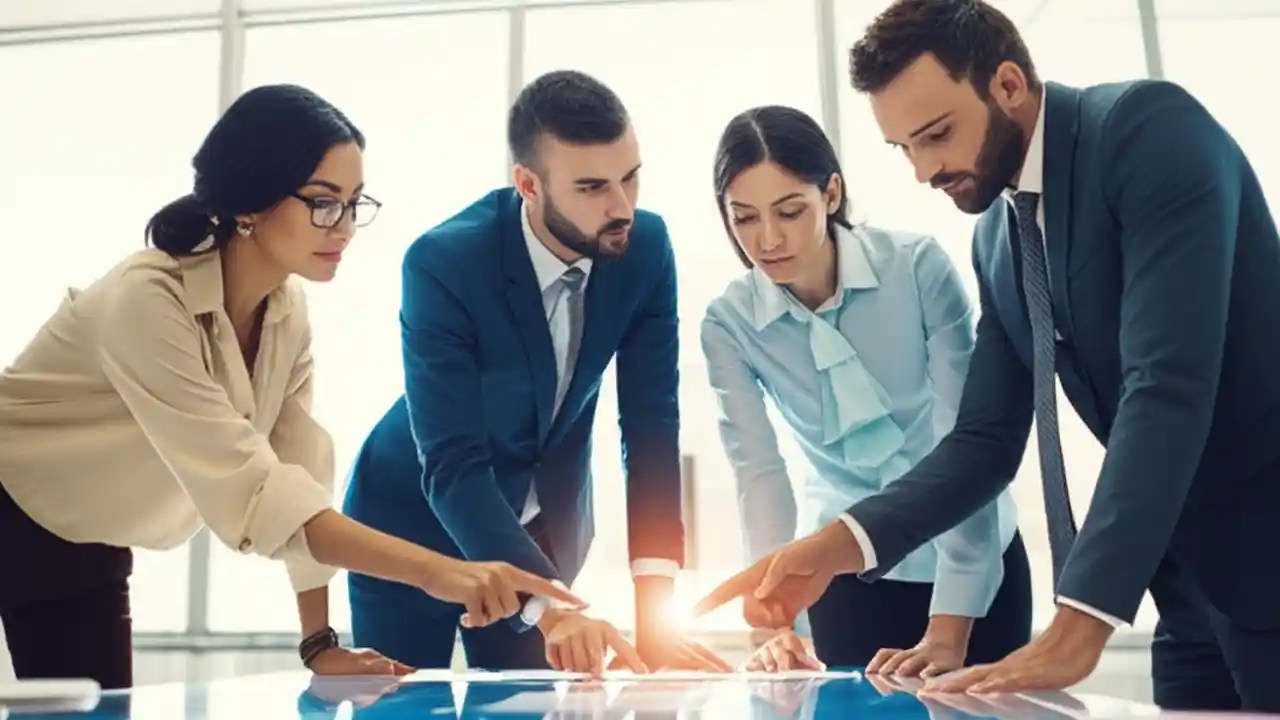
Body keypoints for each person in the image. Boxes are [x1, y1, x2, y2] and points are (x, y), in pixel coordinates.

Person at [694, 0, 1280, 711]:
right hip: (1186, 592)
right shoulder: (999, 240)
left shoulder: (1147, 132)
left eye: (937, 134)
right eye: (904, 148)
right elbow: (982, 444)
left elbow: (1166, 386)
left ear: (1007, 84)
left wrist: (1082, 617)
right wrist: (836, 545)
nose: (923, 170)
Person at [0, 83, 582, 690]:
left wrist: (318, 643)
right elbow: (250, 488)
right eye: (324, 204)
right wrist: (439, 571)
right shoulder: (146, 300)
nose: (345, 228)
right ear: (250, 201)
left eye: (354, 204)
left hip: (82, 541)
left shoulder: (285, 311)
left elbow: (297, 476)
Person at [342, 70, 729, 675]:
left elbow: (652, 424)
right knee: (406, 707)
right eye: (592, 187)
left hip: (539, 534)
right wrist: (555, 608)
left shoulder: (646, 248)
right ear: (528, 184)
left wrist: (654, 619)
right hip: (410, 528)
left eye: (630, 177)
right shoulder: (444, 262)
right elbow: (452, 463)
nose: (621, 207)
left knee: (525, 708)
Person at [702, 105, 1030, 675]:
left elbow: (967, 446)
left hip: (975, 568)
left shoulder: (917, 268)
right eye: (744, 218)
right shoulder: (730, 324)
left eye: (790, 211)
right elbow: (760, 474)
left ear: (831, 193)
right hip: (843, 578)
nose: (768, 239)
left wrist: (950, 624)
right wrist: (776, 624)